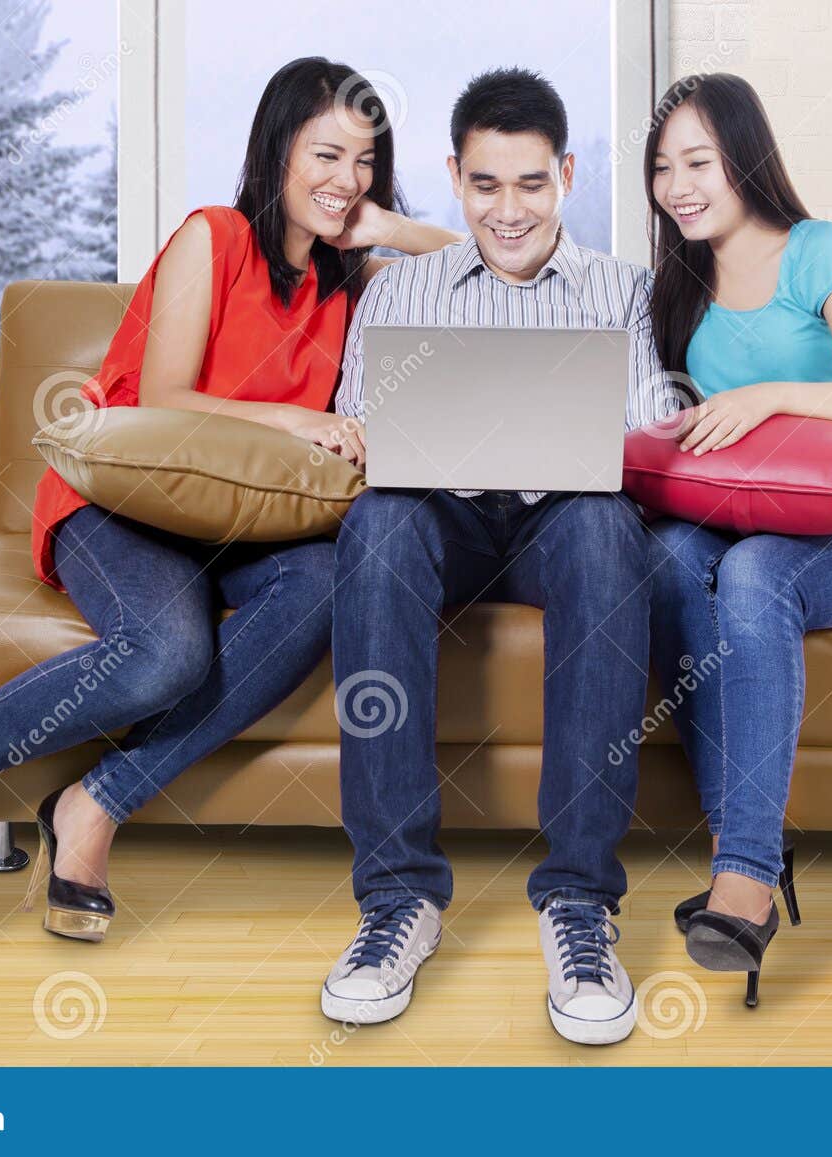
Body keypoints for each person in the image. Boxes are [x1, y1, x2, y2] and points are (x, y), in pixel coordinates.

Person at [0, 56, 460, 941]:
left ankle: (94, 804)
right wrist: (298, 421)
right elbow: (161, 400)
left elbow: (483, 272)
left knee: (331, 579)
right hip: (122, 506)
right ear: (277, 149)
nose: (346, 180)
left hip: (242, 522)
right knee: (166, 652)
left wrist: (389, 226)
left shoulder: (353, 283)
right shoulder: (211, 237)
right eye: (326, 155)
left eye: (365, 161)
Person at [315, 68, 673, 1046]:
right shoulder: (401, 290)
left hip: (563, 521)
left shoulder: (621, 290)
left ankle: (581, 902)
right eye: (483, 185)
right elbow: (363, 423)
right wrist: (356, 436)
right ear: (453, 177)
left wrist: (610, 422)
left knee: (606, 528)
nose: (506, 210)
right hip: (443, 524)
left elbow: (653, 423)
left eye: (527, 183)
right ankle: (397, 900)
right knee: (378, 523)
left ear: (561, 175)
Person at [644, 73, 832, 1005]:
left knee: (754, 575)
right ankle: (755, 842)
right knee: (660, 558)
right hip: (756, 511)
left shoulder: (818, 250)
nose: (679, 185)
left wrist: (766, 394)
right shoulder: (682, 279)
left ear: (747, 158)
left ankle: (742, 876)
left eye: (699, 161)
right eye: (663, 168)